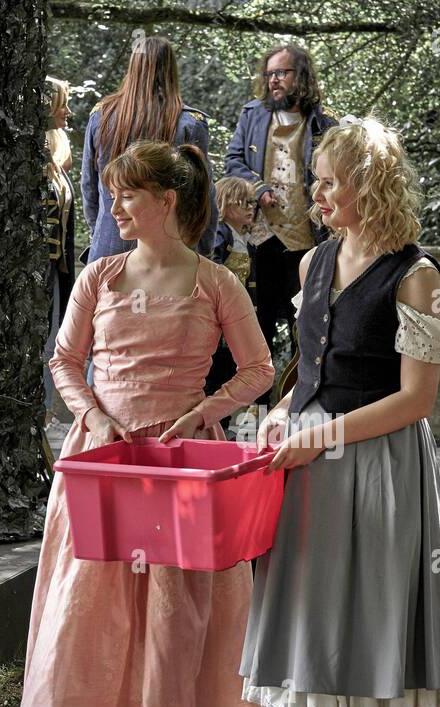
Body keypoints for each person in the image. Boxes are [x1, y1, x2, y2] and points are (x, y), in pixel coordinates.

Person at [8, 141, 274, 707]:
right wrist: (93, 417)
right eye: (114, 194)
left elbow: (260, 369)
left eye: (129, 195)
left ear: (167, 201)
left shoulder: (217, 282)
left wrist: (205, 409)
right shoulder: (99, 277)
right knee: (96, 607)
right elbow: (64, 362)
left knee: (176, 607)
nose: (115, 207)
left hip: (181, 465)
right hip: (102, 459)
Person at [240, 118, 440, 707]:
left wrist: (322, 436)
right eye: (315, 178)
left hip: (382, 468)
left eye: (329, 180)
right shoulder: (313, 264)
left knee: (391, 618)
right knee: (328, 613)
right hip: (311, 465)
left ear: (367, 185)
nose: (313, 192)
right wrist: (280, 415)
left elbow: (417, 400)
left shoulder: (417, 275)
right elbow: (310, 373)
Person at [225, 44, 338, 405]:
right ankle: (251, 413)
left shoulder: (324, 122)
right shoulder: (253, 115)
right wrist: (257, 189)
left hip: (308, 242)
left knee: (306, 330)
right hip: (260, 239)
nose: (274, 80)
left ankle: (300, 406)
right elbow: (234, 161)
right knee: (254, 328)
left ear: (300, 76)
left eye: (282, 73)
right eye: (270, 73)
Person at [80, 36, 218, 264]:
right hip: (171, 251)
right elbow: (203, 196)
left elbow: (89, 188)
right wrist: (203, 253)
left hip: (109, 246)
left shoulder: (101, 117)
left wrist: (102, 232)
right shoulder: (190, 123)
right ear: (171, 70)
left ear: (132, 67)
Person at [204, 176, 271, 424]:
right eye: (244, 203)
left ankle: (219, 424)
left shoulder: (244, 239)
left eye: (252, 203)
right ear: (227, 203)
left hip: (235, 317)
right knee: (215, 374)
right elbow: (214, 266)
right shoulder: (221, 233)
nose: (251, 209)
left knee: (229, 373)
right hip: (219, 315)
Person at [41, 77, 79, 423]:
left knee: (52, 345)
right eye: (62, 104)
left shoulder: (55, 155)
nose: (68, 111)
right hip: (38, 271)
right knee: (42, 345)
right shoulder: (34, 157)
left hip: (55, 268)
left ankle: (44, 416)